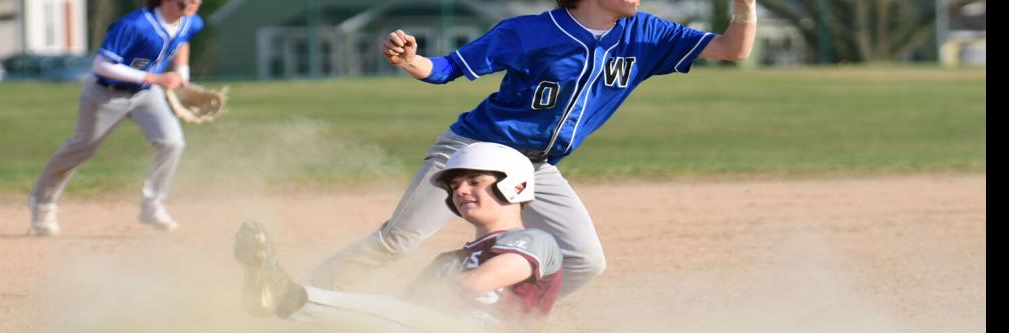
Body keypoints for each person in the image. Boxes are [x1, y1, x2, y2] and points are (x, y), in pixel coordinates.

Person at [306, 0, 756, 298]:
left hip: (534, 166)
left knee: (584, 262)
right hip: (474, 151)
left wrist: (744, 6)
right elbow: (444, 70)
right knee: (399, 239)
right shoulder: (530, 32)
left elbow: (734, 48)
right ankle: (307, 297)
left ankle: (494, 313)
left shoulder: (647, 33)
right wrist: (409, 61)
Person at [236, 143, 564, 333]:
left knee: (383, 316)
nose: (461, 191)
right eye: (454, 186)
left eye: (474, 182)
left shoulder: (536, 241)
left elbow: (476, 283)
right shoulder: (448, 260)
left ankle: (288, 296)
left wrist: (422, 300)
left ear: (516, 186)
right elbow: (405, 310)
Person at [28, 0, 204, 236]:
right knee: (81, 149)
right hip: (106, 94)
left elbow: (182, 42)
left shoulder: (191, 21)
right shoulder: (134, 25)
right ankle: (43, 203)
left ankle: (152, 204)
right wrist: (155, 79)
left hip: (145, 94)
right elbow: (101, 66)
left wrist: (183, 77)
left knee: (172, 142)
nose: (194, 3)